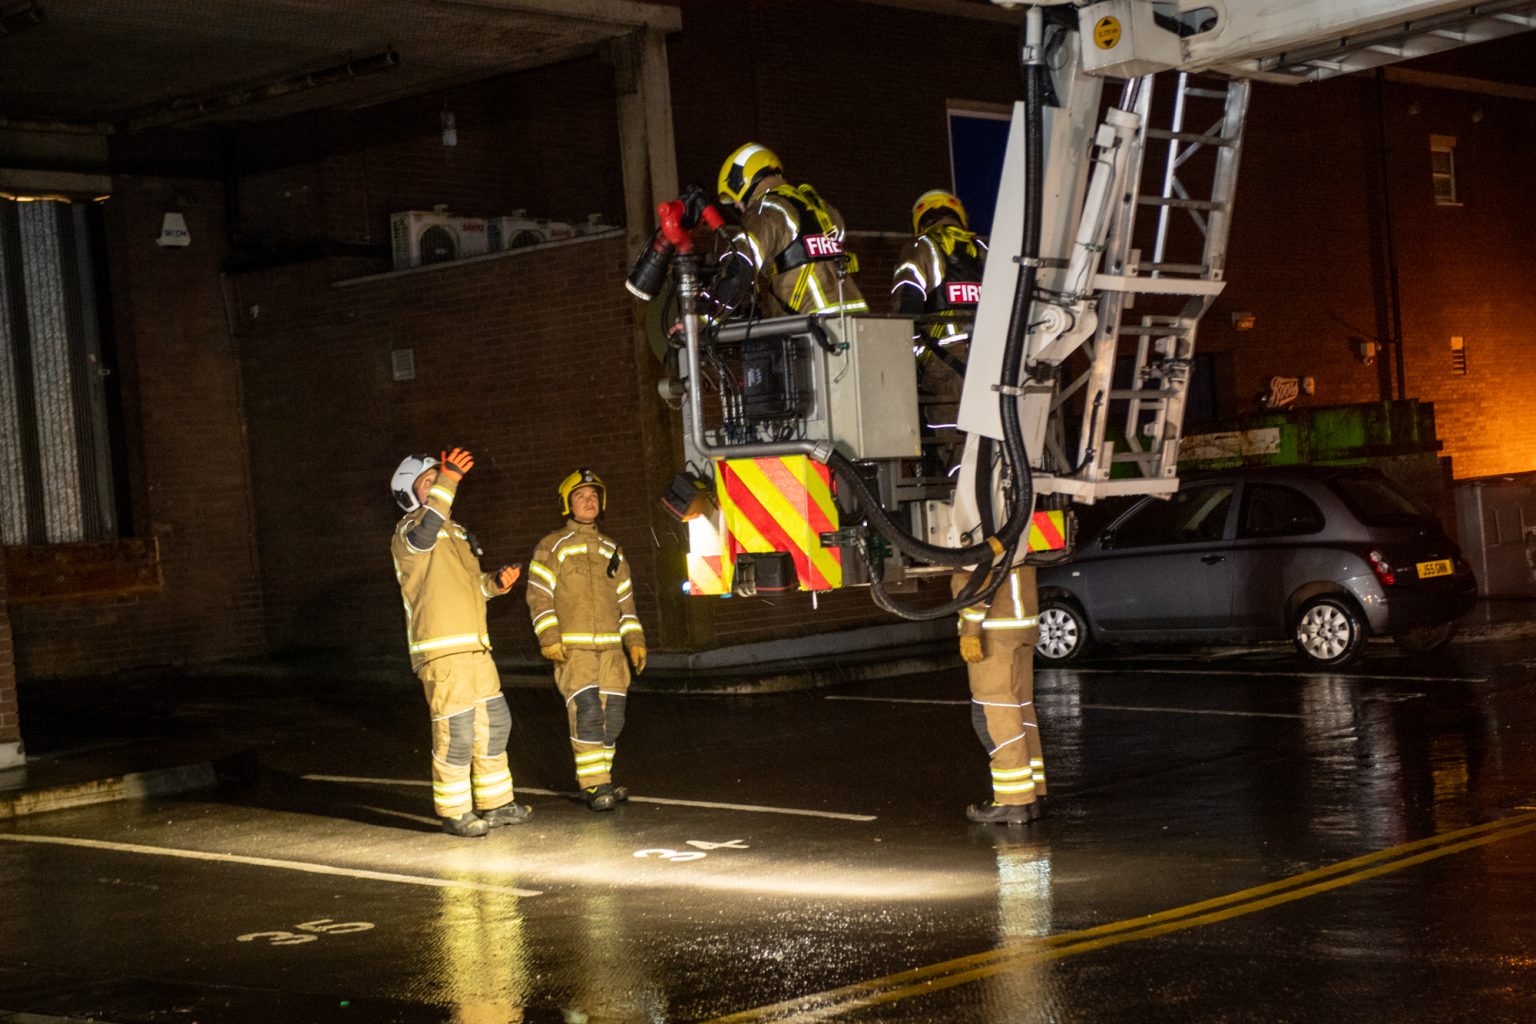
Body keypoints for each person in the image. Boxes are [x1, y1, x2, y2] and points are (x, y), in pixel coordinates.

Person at [389, 447, 532, 838]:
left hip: (475, 648)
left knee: (495, 724)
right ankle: (454, 811)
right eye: (429, 481)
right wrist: (449, 479)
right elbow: (422, 538)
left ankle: (495, 804)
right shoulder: (409, 530)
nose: (439, 484)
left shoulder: (455, 532)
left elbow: (471, 588)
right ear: (408, 493)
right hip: (442, 651)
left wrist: (494, 584)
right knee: (457, 733)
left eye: (440, 478)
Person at [527, 468, 647, 812]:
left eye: (594, 495)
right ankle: (594, 784)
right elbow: (538, 595)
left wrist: (635, 640)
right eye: (580, 496)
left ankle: (602, 778)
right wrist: (549, 636)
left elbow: (626, 602)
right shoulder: (552, 545)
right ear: (567, 504)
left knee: (614, 719)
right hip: (575, 651)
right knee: (588, 713)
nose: (589, 500)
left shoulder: (612, 549)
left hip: (611, 652)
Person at [705, 142, 868, 321]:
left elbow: (740, 268)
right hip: (858, 318)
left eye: (734, 198)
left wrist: (704, 318)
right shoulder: (816, 205)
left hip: (812, 322)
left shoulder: (765, 209)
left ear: (742, 181)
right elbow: (838, 236)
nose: (737, 206)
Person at [892, 190, 987, 469]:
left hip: (946, 365)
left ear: (920, 220)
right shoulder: (984, 250)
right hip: (993, 358)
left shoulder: (922, 247)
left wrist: (906, 362)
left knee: (956, 446)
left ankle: (961, 488)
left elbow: (907, 305)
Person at [955, 563, 1046, 824]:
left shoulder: (984, 538)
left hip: (994, 632)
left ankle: (1013, 801)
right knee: (1020, 709)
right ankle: (1029, 795)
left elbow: (979, 573)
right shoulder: (1015, 540)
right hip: (1021, 626)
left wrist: (970, 630)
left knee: (993, 715)